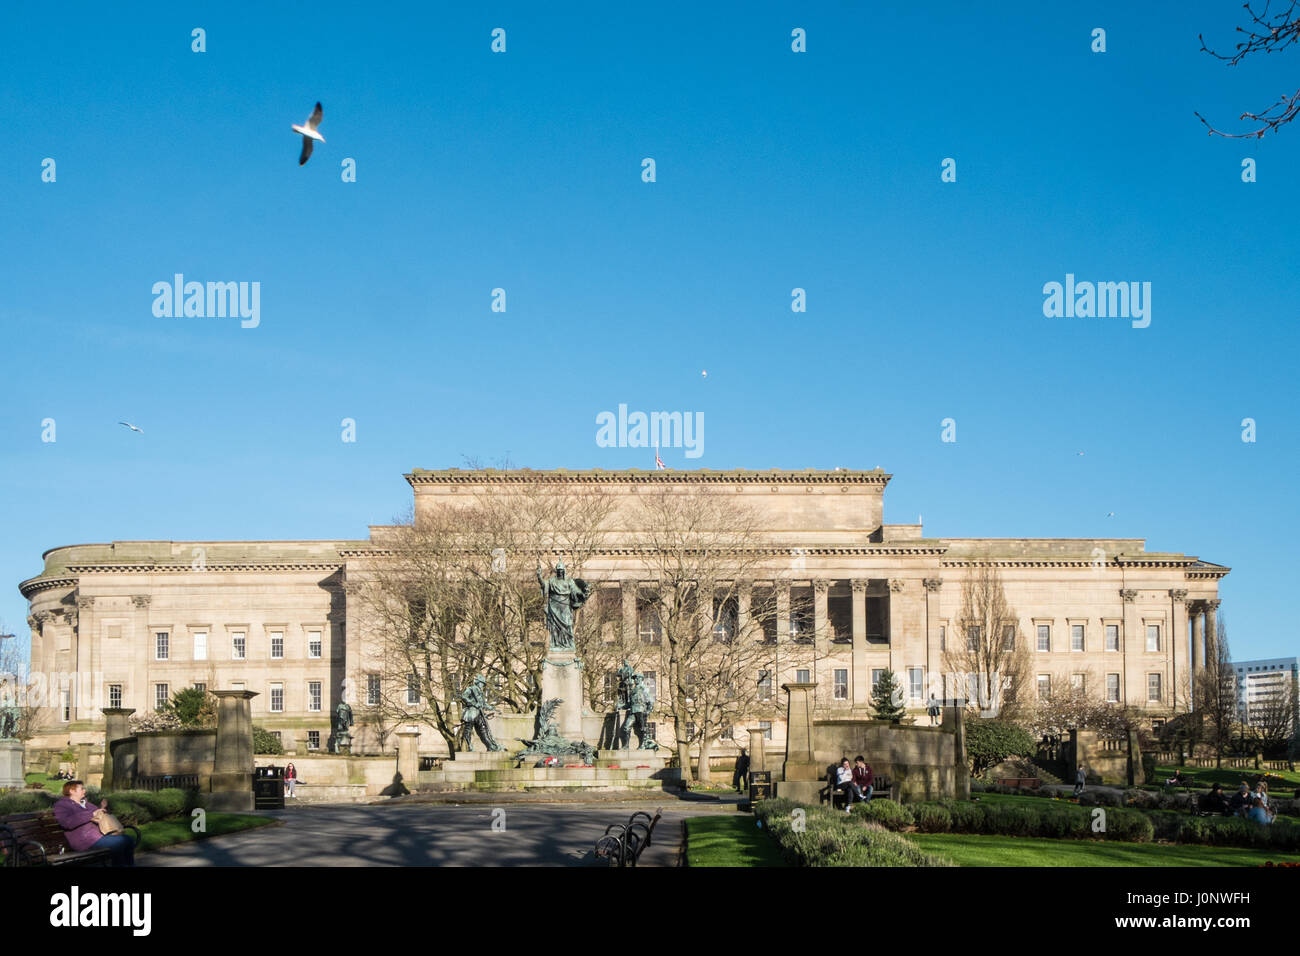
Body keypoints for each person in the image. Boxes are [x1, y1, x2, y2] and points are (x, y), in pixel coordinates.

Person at [52, 780, 134, 866]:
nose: (85, 791)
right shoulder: (62, 805)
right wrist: (91, 814)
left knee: (127, 840)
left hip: (99, 836)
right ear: (72, 791)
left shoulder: (85, 803)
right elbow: (66, 823)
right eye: (82, 789)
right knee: (123, 841)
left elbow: (96, 813)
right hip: (84, 841)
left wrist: (102, 808)